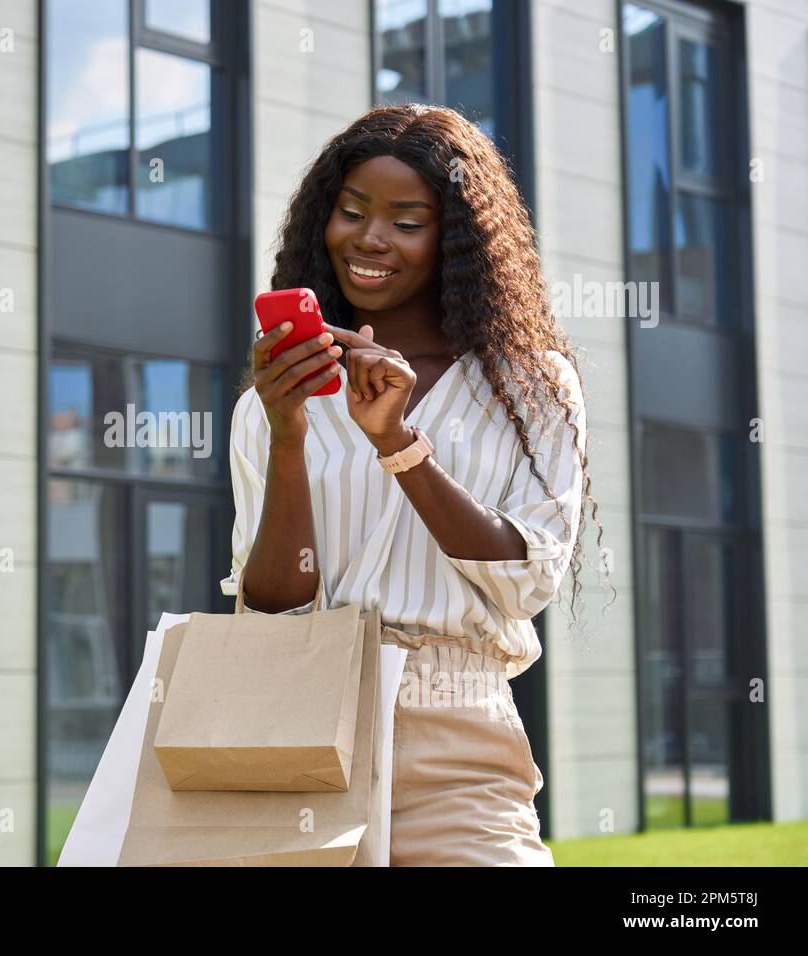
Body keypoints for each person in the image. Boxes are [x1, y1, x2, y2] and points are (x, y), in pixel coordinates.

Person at [224, 104, 606, 866]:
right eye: (353, 212)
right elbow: (271, 607)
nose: (369, 239)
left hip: (456, 736)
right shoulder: (270, 404)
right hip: (300, 729)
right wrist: (289, 439)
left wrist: (398, 443)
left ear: (457, 240)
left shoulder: (532, 391)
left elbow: (525, 577)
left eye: (407, 221)